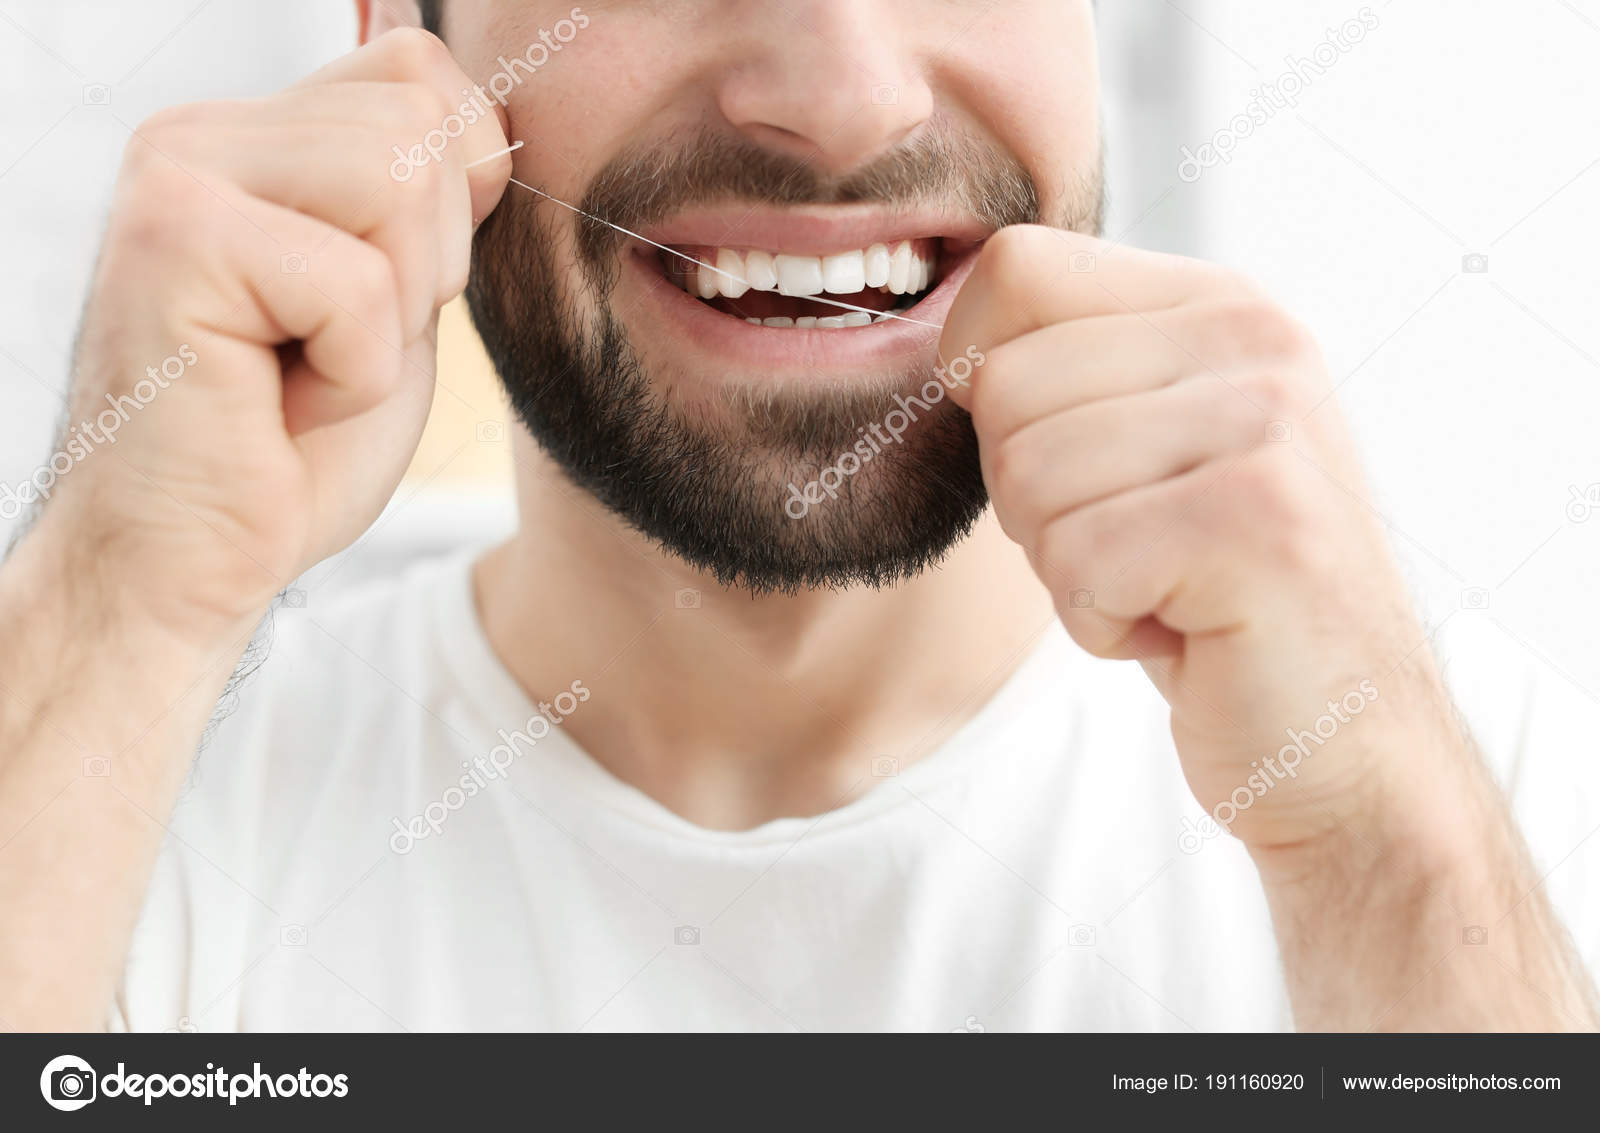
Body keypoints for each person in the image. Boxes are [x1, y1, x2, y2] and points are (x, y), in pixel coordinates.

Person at [0, 0, 1594, 1032]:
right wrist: (110, 611)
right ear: (394, 35)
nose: (839, 98)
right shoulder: (128, 819)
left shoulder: (1486, 831)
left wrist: (1387, 852)